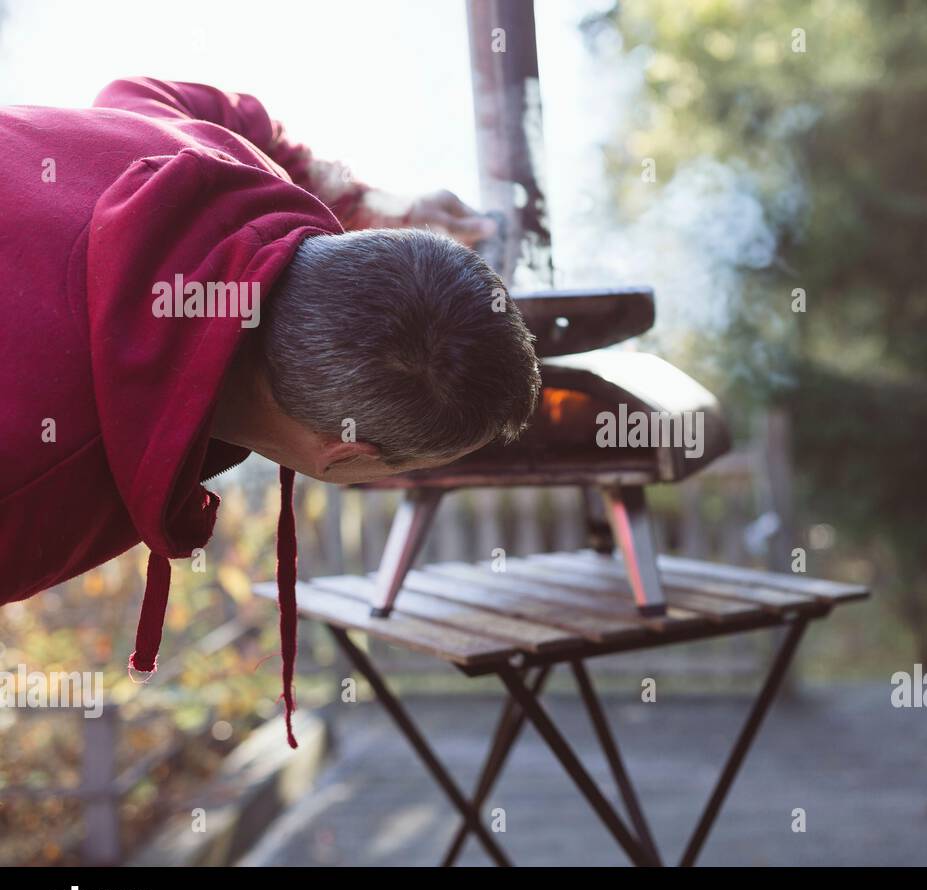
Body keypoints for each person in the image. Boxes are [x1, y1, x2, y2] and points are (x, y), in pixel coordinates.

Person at [0, 78, 542, 744]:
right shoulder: (34, 482)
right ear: (344, 451)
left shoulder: (206, 157)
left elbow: (171, 99)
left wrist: (371, 203)